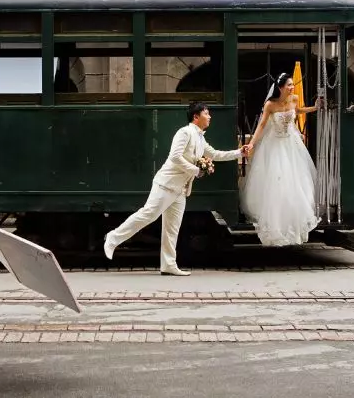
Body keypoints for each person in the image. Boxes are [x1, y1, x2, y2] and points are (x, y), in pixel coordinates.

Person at [103, 102, 248, 276]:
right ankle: (113, 237)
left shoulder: (200, 138)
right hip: (166, 184)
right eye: (206, 113)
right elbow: (175, 157)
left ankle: (168, 264)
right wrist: (195, 170)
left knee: (172, 227)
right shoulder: (185, 132)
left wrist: (240, 153)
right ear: (196, 116)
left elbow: (216, 154)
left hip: (180, 190)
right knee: (148, 214)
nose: (209, 117)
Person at [240, 73, 321, 246]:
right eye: (289, 85)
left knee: (297, 181)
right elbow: (262, 125)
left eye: (293, 85)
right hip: (275, 144)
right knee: (277, 182)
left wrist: (314, 108)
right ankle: (277, 224)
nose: (292, 88)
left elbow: (298, 111)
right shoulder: (270, 104)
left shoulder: (294, 99)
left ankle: (295, 220)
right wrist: (252, 144)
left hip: (292, 144)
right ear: (280, 87)